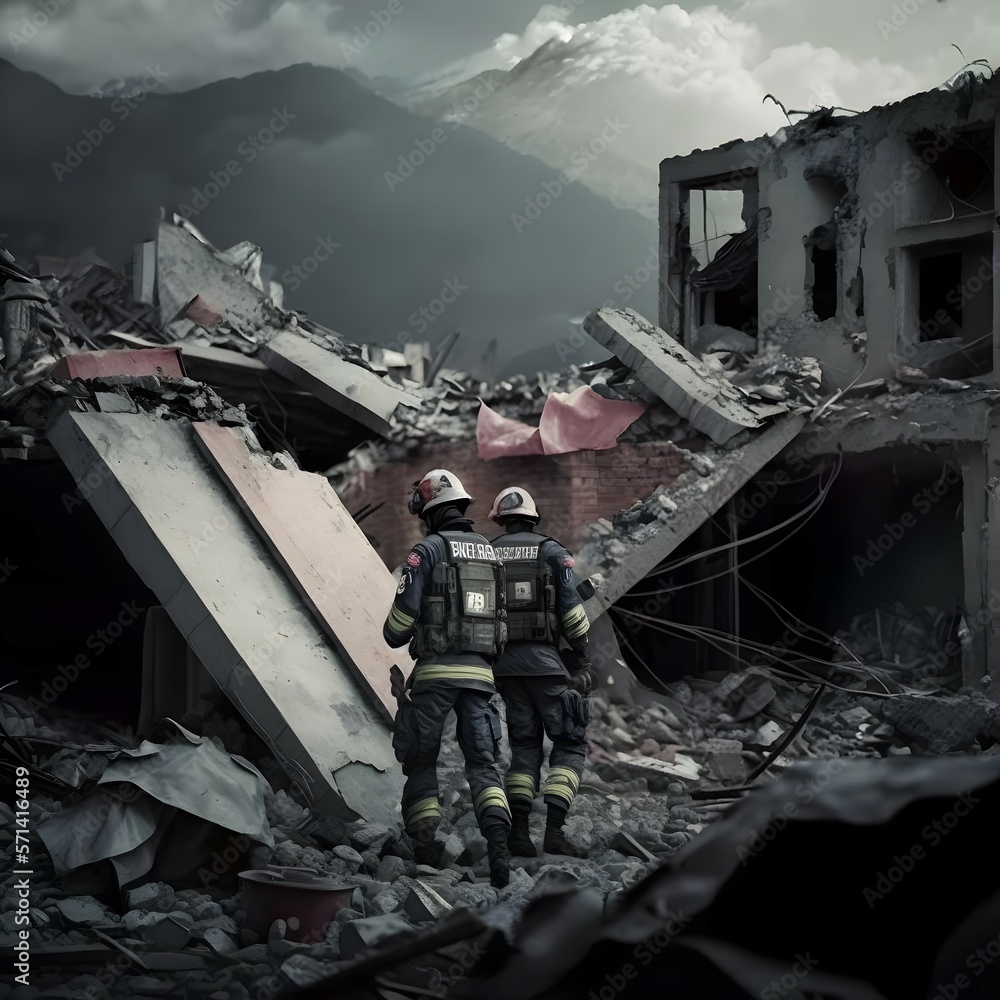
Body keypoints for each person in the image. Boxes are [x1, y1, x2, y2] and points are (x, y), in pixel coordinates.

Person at [382, 469, 512, 887]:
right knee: (483, 764)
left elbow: (398, 626)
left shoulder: (427, 550)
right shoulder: (490, 553)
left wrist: (397, 631)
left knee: (422, 758)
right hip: (480, 677)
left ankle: (425, 851)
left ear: (430, 512)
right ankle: (499, 847)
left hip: (434, 674)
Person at [488, 486, 592, 858]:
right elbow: (573, 615)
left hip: (504, 668)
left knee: (525, 747)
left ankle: (518, 835)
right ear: (534, 518)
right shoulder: (552, 552)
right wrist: (581, 659)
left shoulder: (488, 553)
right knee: (570, 741)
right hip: (546, 667)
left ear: (501, 519)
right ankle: (554, 833)